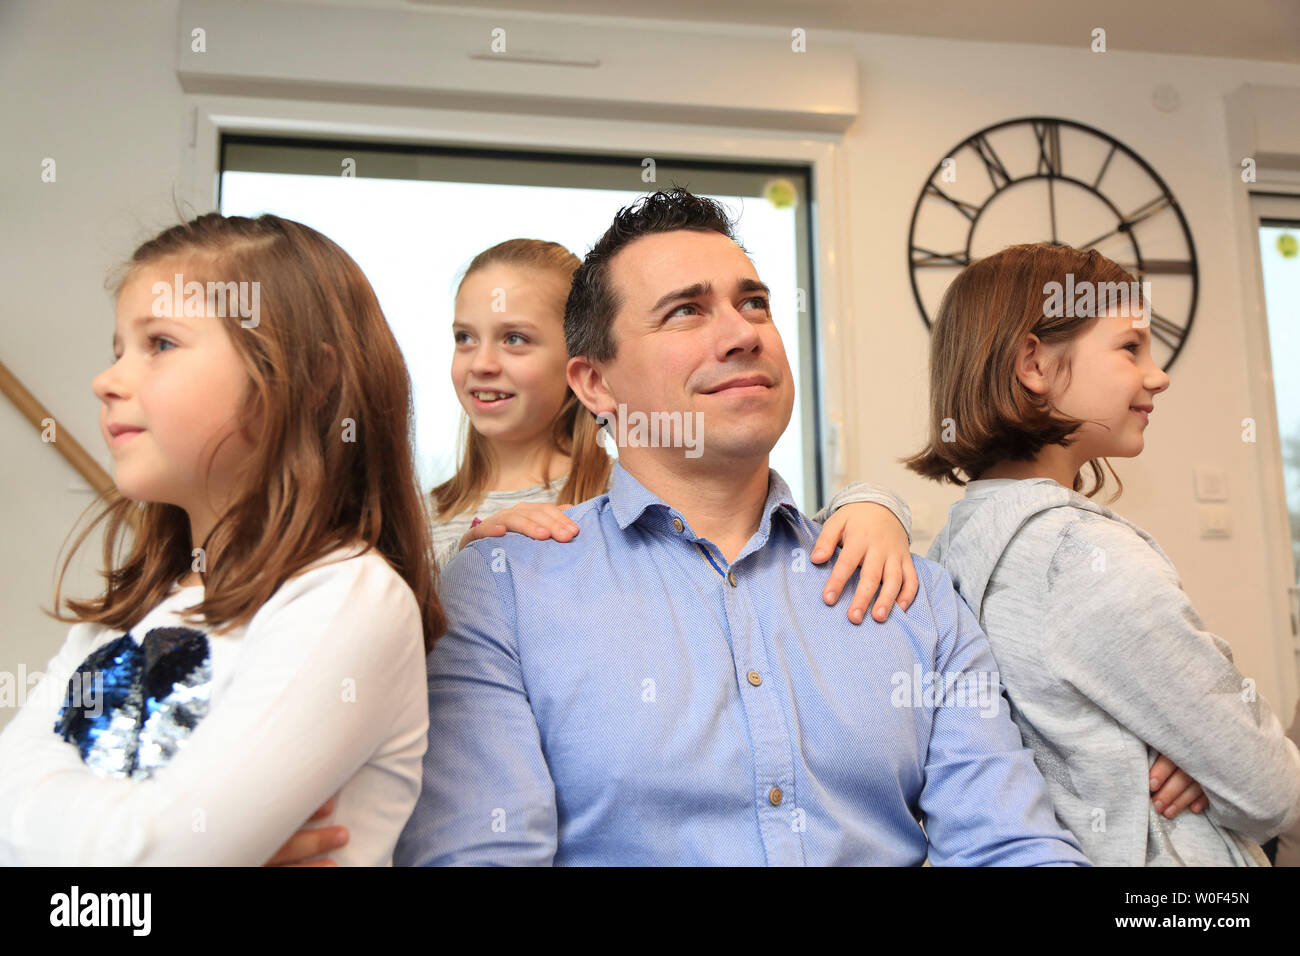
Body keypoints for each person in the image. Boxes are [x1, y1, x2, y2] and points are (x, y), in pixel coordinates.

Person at [393, 188, 1089, 866]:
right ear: (595, 384)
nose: (743, 334)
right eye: (686, 311)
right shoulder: (505, 588)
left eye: (753, 302)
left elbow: (1011, 846)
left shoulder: (915, 595)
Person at [0, 213, 440, 865]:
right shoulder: (127, 615)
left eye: (161, 344)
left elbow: (156, 853)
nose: (107, 380)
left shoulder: (348, 596)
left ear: (308, 379)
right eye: (117, 348)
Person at [906, 242, 1300, 865]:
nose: (1158, 374)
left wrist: (1205, 760)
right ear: (1033, 363)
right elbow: (1273, 790)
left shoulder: (957, 545)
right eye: (1130, 346)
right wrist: (1215, 766)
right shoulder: (1083, 555)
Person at [435, 237, 920, 627]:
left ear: (585, 371)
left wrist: (874, 505)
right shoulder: (422, 515)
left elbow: (757, 541)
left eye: (514, 338)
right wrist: (460, 564)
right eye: (465, 338)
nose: (482, 363)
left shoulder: (631, 496)